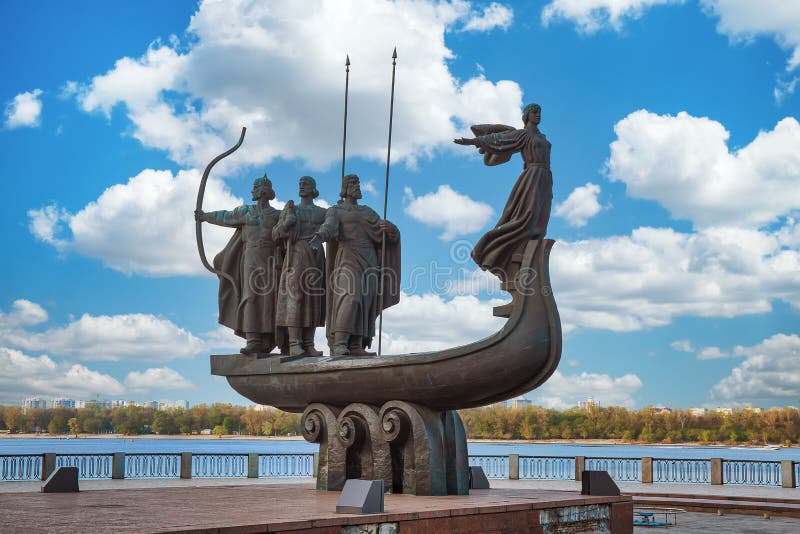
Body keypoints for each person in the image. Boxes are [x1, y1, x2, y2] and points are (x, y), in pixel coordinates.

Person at [454, 103, 552, 278]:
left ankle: (530, 254)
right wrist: (472, 142)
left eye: (540, 112)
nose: (538, 115)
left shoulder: (542, 136)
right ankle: (490, 250)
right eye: (534, 112)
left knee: (541, 220)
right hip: (532, 175)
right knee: (526, 216)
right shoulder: (523, 134)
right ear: (527, 115)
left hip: (546, 178)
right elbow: (498, 140)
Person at [309, 174, 401, 357]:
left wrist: (392, 230)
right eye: (352, 184)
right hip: (348, 257)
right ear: (344, 188)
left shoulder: (368, 212)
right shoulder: (335, 210)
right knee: (350, 297)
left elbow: (384, 234)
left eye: (358, 183)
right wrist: (320, 236)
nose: (357, 186)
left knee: (365, 303)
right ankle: (340, 342)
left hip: (369, 259)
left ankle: (356, 344)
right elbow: (330, 227)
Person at [195, 175, 282, 355]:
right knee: (250, 297)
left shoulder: (277, 215)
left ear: (265, 191)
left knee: (268, 300)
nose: (253, 190)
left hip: (270, 259)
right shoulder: (245, 211)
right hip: (250, 257)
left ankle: (267, 338)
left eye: (256, 187)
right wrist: (204, 216)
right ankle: (253, 339)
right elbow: (225, 216)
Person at [272, 176, 327, 357]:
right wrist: (287, 222)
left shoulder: (322, 213)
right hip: (295, 254)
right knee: (295, 297)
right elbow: (276, 235)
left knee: (313, 299)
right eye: (300, 184)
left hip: (315, 256)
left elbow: (334, 227)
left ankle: (309, 343)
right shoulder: (291, 210)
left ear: (314, 189)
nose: (302, 186)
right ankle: (294, 342)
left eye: (306, 184)